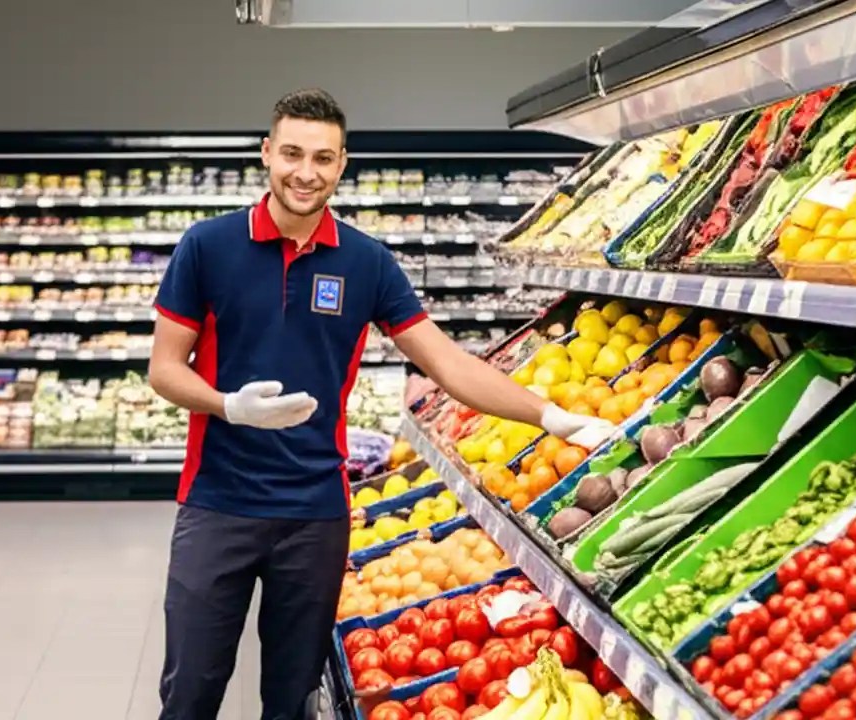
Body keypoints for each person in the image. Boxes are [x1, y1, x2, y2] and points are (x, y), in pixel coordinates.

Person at [148, 88, 615, 720]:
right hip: (218, 505)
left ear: (342, 164)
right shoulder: (208, 246)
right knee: (190, 693)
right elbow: (164, 370)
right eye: (291, 153)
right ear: (266, 153)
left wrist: (549, 416)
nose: (305, 172)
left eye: (322, 158)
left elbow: (446, 362)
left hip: (315, 513)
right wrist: (228, 405)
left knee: (291, 700)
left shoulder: (366, 262)